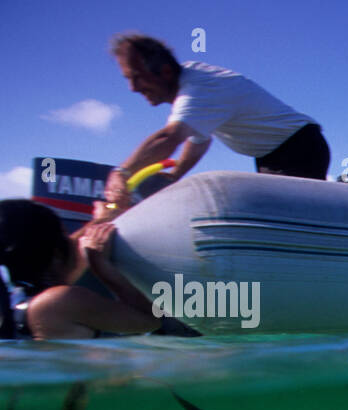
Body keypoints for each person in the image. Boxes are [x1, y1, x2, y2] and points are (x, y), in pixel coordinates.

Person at [101, 34, 329, 216]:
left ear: (166, 72)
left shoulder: (198, 91)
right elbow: (200, 140)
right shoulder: (191, 87)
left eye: (137, 77)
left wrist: (122, 172)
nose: (133, 88)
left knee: (284, 223)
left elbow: (169, 138)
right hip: (276, 154)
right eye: (128, 79)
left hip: (299, 150)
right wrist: (176, 174)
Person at [0, 199, 197, 339]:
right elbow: (150, 320)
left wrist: (101, 221)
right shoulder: (58, 301)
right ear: (56, 254)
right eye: (65, 235)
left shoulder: (18, 298)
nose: (72, 240)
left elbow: (61, 266)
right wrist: (102, 267)